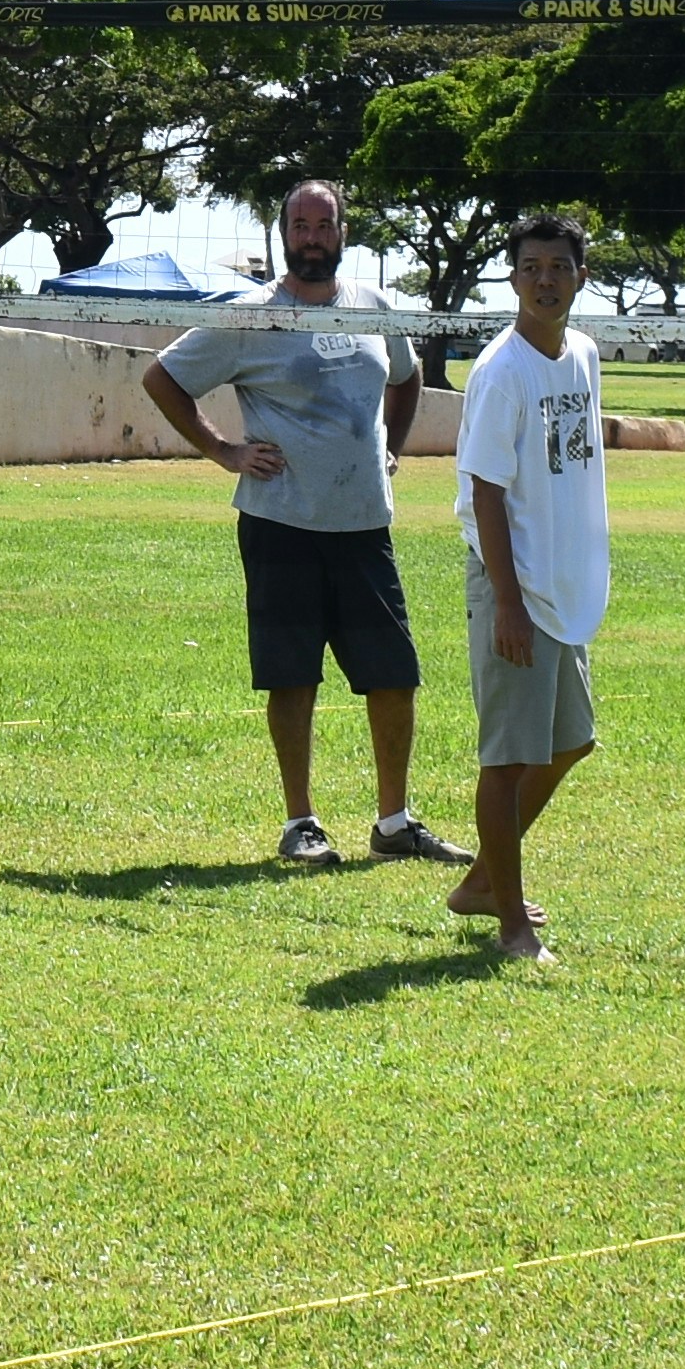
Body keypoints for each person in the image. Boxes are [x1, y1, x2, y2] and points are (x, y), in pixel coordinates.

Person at [141, 178, 460, 873]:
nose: (313, 237)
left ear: (344, 232)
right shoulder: (250, 316)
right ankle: (301, 822)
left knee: (393, 674)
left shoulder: (374, 308)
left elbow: (405, 380)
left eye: (325, 225)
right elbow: (163, 378)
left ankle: (395, 821)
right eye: (301, 225)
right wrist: (224, 449)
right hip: (280, 524)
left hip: (364, 525)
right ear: (282, 234)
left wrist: (393, 447)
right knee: (293, 677)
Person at [448, 213, 612, 962]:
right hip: (511, 581)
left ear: (582, 276)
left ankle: (486, 877)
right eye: (530, 267)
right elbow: (485, 493)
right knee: (508, 758)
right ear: (512, 279)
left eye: (558, 266)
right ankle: (511, 926)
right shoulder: (501, 371)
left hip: (560, 583)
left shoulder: (581, 353)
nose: (544, 280)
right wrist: (507, 604)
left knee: (571, 742)